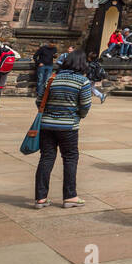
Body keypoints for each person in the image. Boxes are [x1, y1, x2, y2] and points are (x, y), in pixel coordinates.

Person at [32, 48, 93, 209]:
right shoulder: (82, 81)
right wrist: (78, 115)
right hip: (68, 126)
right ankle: (70, 196)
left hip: (46, 125)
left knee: (46, 158)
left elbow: (39, 101)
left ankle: (40, 198)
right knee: (70, 158)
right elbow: (85, 106)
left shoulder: (52, 79)